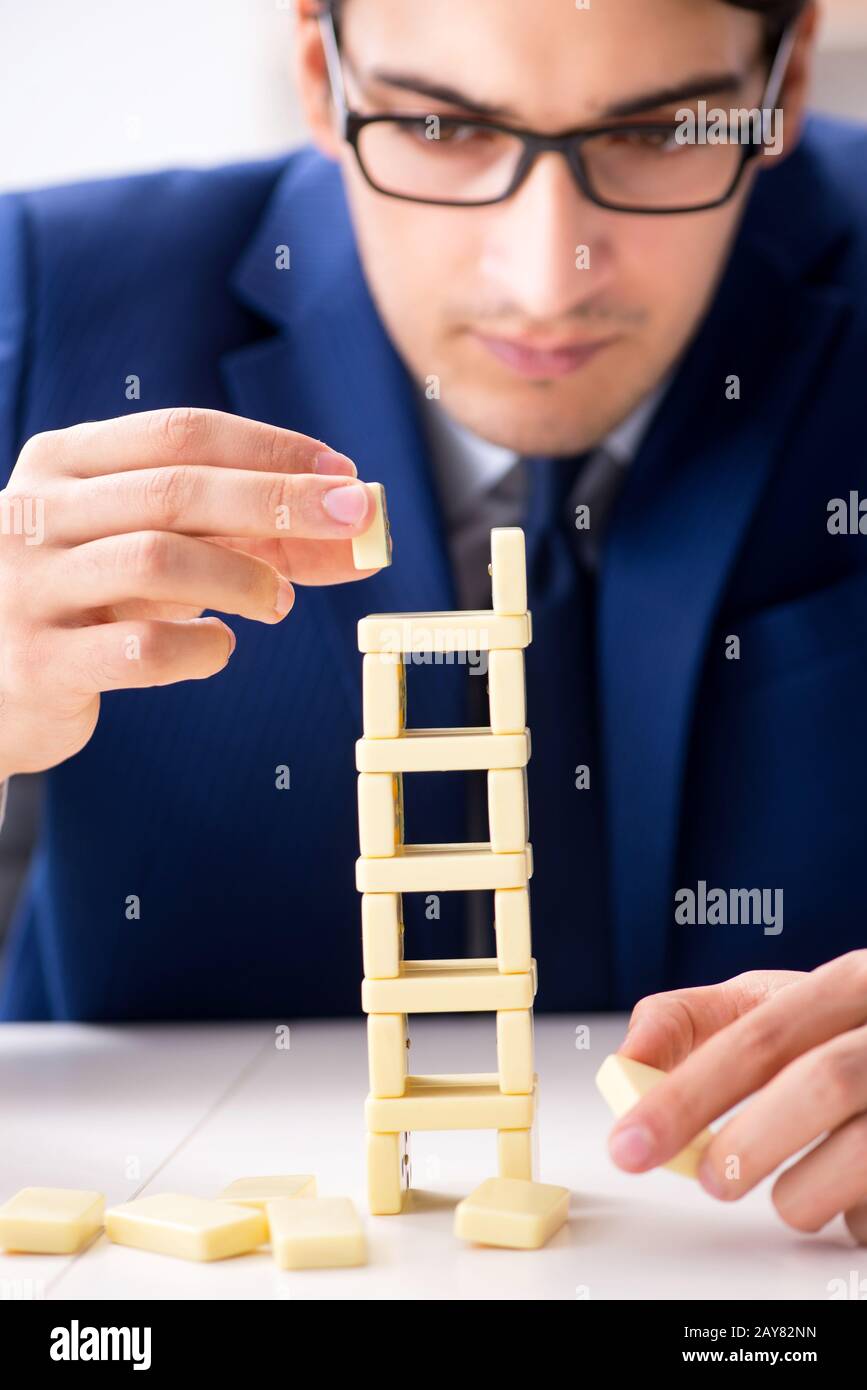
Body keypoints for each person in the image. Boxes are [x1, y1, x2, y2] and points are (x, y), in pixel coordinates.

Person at [0, 0, 866, 1241]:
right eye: (439, 123)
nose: (543, 278)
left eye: (661, 131)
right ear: (319, 71)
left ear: (779, 88)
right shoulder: (44, 301)